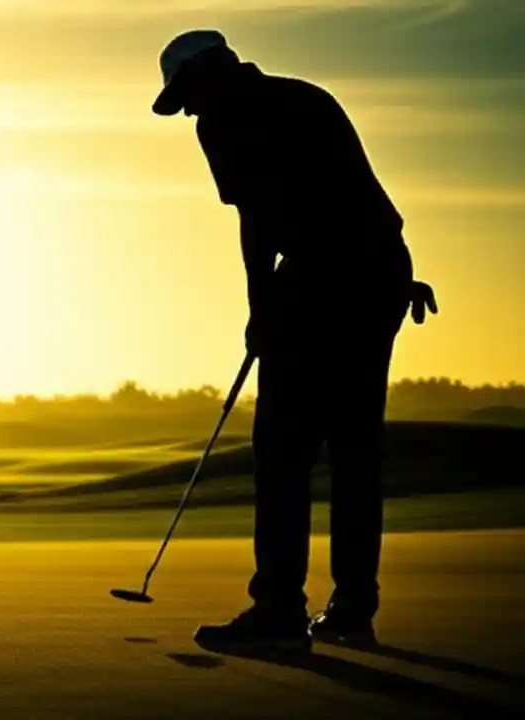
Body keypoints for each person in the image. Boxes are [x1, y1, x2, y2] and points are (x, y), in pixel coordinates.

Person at [150, 29, 439, 653]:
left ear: (212, 73)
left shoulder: (226, 119)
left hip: (324, 281)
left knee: (282, 452)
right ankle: (353, 610)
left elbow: (256, 221)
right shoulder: (308, 97)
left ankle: (279, 612)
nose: (190, 112)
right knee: (354, 452)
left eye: (187, 96)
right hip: (379, 272)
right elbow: (356, 206)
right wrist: (388, 277)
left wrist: (262, 308)